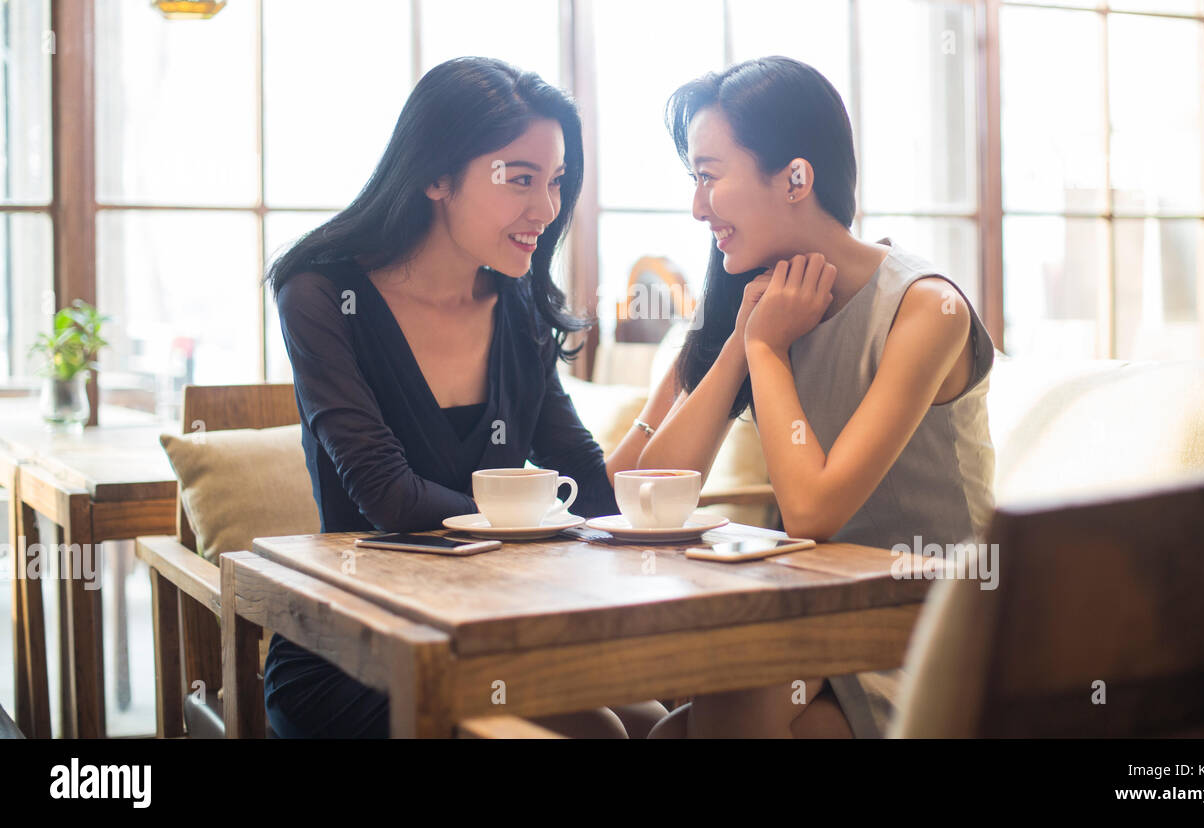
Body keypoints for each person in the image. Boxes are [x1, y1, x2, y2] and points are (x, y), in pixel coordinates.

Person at [262, 56, 667, 738]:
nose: (546, 209)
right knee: (599, 732)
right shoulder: (321, 294)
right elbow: (388, 496)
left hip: (496, 633)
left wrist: (695, 371)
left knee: (661, 721)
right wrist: (544, 520)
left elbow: (587, 485)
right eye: (519, 179)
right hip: (358, 647)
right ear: (436, 176)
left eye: (556, 182)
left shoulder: (521, 308)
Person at [635, 56, 997, 738]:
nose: (696, 206)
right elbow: (654, 495)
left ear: (797, 177)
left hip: (929, 630)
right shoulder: (772, 302)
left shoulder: (927, 309)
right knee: (667, 733)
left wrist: (767, 350)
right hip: (814, 617)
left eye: (709, 176)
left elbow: (812, 511)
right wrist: (747, 339)